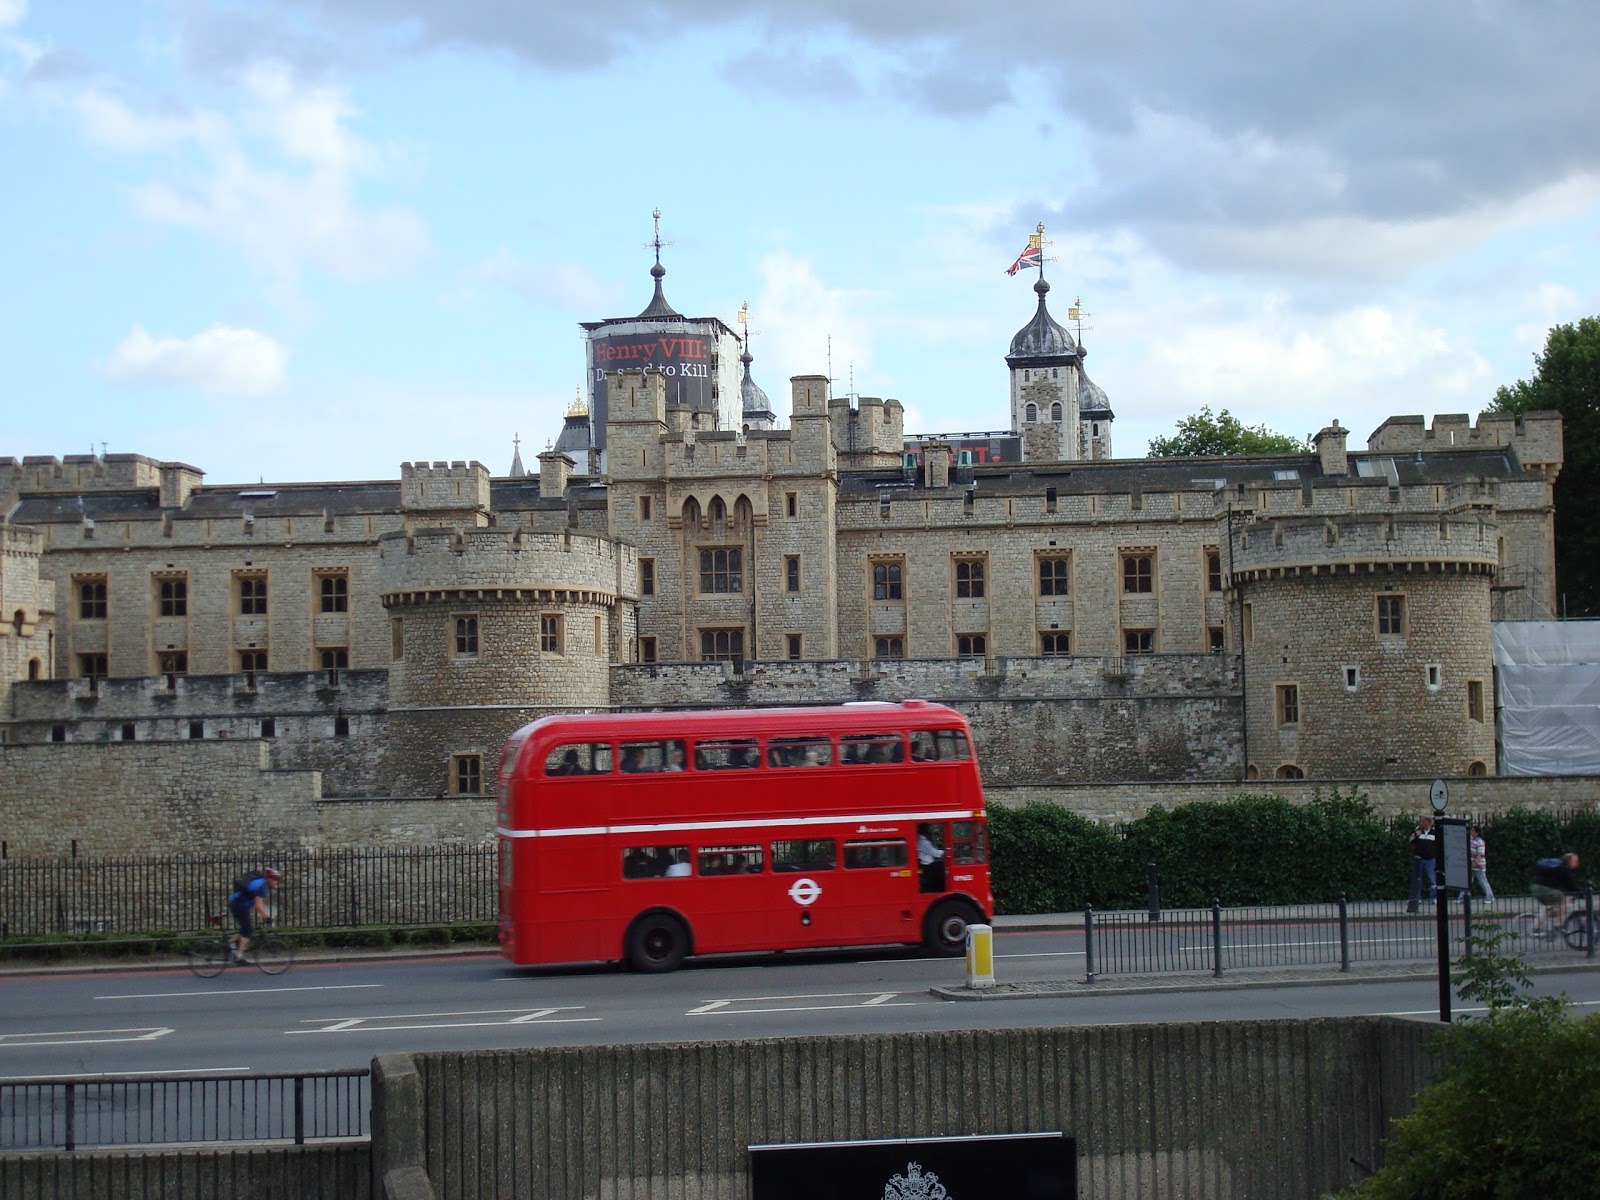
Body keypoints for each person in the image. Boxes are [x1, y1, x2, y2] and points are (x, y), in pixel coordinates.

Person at [227, 867, 279, 964]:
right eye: (276, 880)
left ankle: (229, 944)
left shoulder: (262, 884)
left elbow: (258, 903)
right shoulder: (262, 886)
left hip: (239, 904)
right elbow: (258, 904)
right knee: (247, 931)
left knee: (246, 929)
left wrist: (264, 914)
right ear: (270, 879)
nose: (276, 883)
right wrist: (266, 917)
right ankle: (238, 956)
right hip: (239, 904)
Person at [1530, 852, 1582, 935]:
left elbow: (1565, 885)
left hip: (1535, 887)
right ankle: (1558, 925)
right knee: (1561, 898)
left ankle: (1536, 928)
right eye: (1575, 861)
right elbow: (1571, 884)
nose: (1577, 864)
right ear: (1569, 861)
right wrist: (1581, 894)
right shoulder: (1564, 868)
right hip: (1543, 888)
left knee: (1549, 908)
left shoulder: (1557, 867)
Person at [1405, 815, 1436, 914]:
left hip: (1430, 859)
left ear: (1427, 823)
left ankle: (1434, 897)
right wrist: (1416, 836)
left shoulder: (1434, 833)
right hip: (1420, 859)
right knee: (1418, 879)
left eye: (1422, 821)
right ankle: (1417, 897)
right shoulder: (1418, 832)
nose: (1421, 823)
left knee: (1432, 879)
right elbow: (1411, 841)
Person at [917, 823, 946, 893]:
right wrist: (946, 852)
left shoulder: (918, 839)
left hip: (923, 865)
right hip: (927, 866)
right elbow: (934, 852)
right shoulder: (923, 842)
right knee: (941, 866)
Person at [1469, 826, 1494, 904]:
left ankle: (1490, 897)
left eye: (1472, 831)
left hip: (1478, 865)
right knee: (1467, 881)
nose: (1471, 832)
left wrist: (1476, 862)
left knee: (1483, 881)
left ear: (1477, 833)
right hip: (1472, 865)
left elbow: (1480, 854)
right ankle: (1463, 897)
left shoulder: (1480, 842)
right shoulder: (1472, 840)